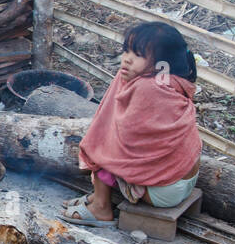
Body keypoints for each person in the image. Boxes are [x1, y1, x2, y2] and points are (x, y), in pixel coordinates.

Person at [64, 21, 201, 226]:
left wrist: (96, 145)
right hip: (184, 179)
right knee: (104, 138)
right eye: (127, 50)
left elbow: (118, 141)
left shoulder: (147, 88)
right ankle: (96, 196)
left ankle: (101, 207)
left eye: (138, 54)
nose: (126, 59)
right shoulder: (172, 82)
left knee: (102, 144)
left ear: (161, 63)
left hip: (163, 191)